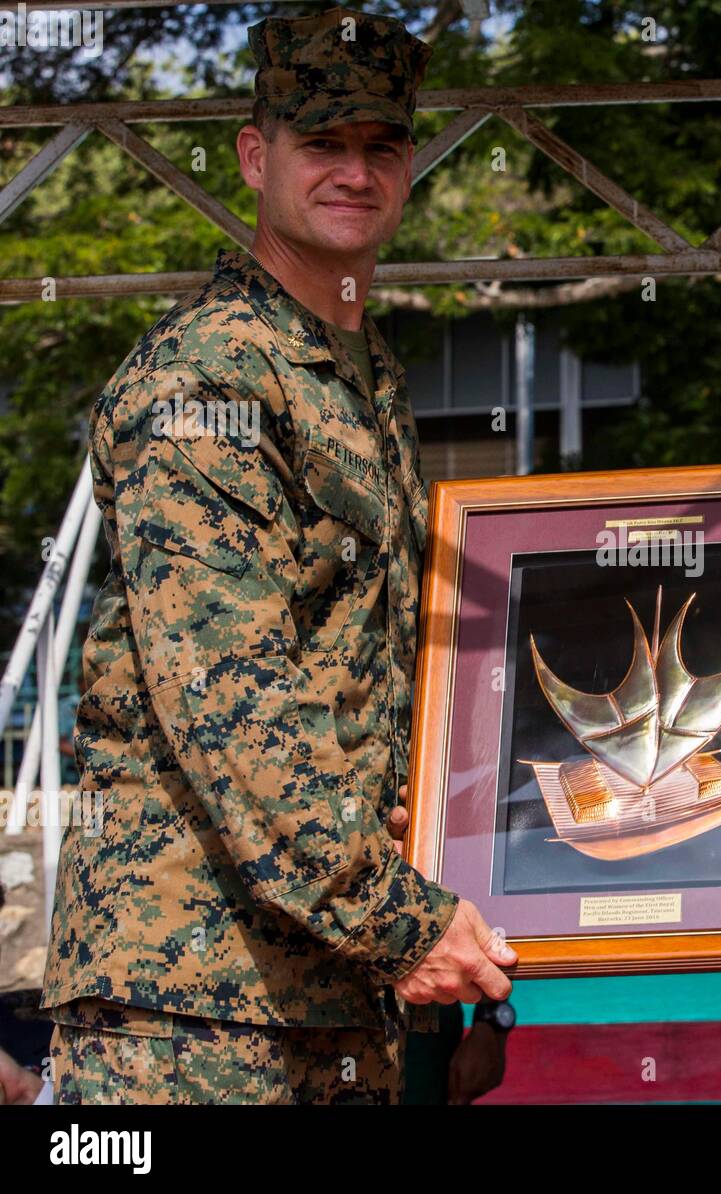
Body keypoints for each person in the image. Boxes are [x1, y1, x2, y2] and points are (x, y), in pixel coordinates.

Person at [41, 6, 514, 1105]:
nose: (354, 171)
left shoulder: (357, 375)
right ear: (256, 157)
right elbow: (230, 694)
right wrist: (402, 921)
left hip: (334, 988)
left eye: (380, 147)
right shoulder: (210, 378)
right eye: (321, 144)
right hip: (194, 1000)